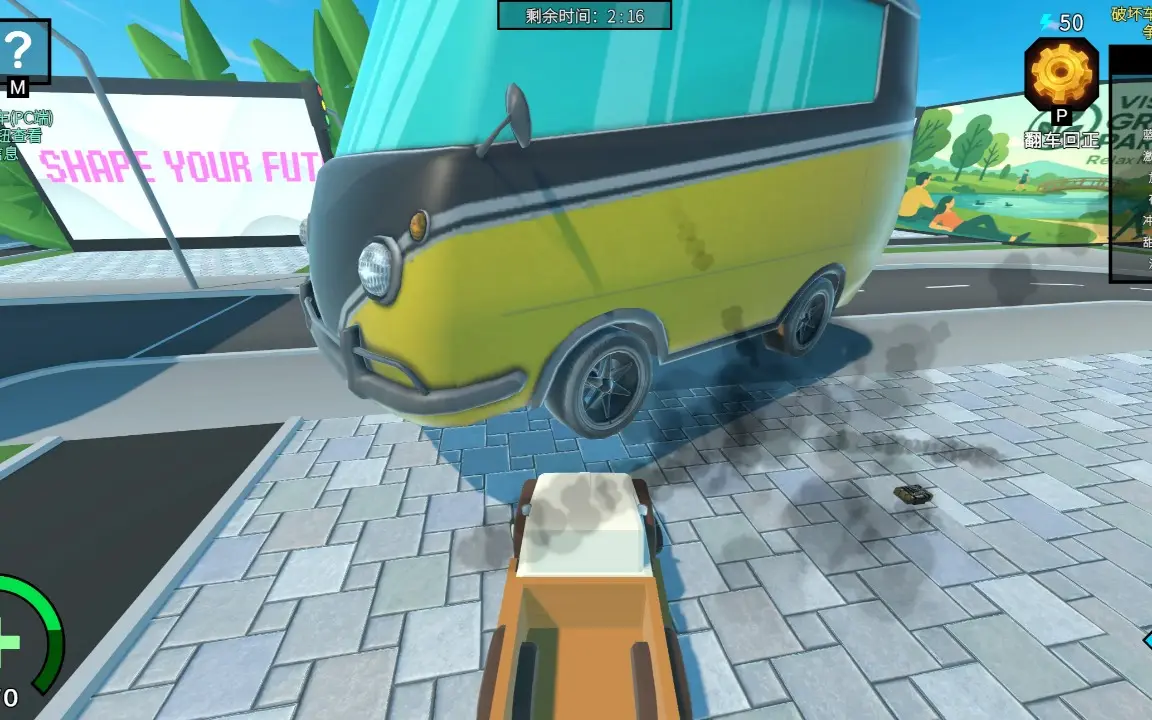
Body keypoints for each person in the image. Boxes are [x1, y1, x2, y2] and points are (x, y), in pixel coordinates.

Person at [929, 195, 1030, 243]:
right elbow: (932, 225)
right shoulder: (940, 214)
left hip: (964, 225)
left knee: (985, 231)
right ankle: (1004, 235)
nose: (953, 203)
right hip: (959, 228)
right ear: (946, 203)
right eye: (952, 202)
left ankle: (1013, 239)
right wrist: (946, 228)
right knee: (986, 217)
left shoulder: (950, 211)